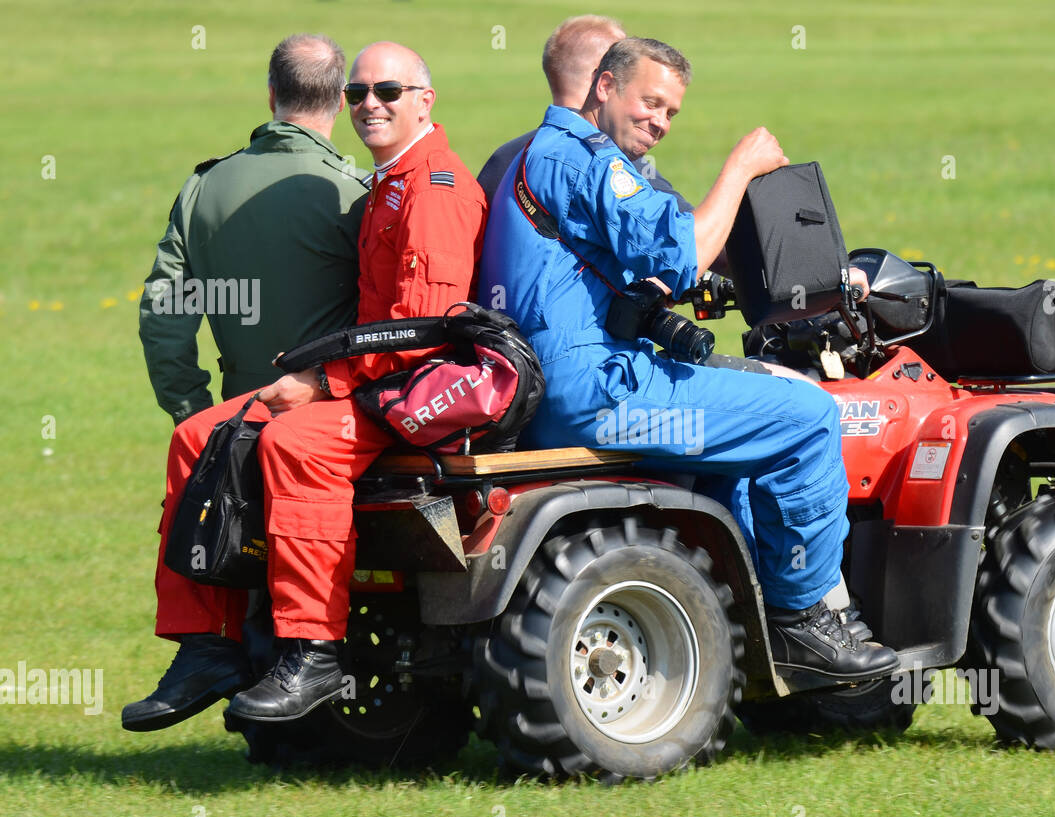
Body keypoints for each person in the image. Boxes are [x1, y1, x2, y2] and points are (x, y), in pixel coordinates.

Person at [478, 38, 898, 683]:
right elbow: (679, 256)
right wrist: (742, 168)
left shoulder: (534, 155)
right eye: (649, 102)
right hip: (601, 398)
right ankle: (804, 621)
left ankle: (744, 615)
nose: (660, 122)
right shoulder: (591, 160)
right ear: (605, 86)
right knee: (809, 414)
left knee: (740, 432)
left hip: (549, 392)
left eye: (671, 112)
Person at [122, 41, 486, 731]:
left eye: (387, 92)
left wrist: (320, 381)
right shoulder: (386, 182)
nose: (369, 104)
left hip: (403, 396)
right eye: (357, 94)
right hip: (366, 383)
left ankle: (311, 648)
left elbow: (419, 333)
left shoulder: (433, 185)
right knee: (196, 437)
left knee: (293, 443)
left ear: (425, 101)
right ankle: (206, 647)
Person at [139, 34, 367, 425]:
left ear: (271, 94)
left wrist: (193, 415)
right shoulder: (361, 195)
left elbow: (164, 314)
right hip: (338, 434)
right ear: (342, 100)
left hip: (235, 428)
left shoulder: (202, 187)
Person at [476, 15, 690, 215]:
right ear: (604, 81)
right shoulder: (610, 164)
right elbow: (693, 245)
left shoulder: (503, 159)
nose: (661, 123)